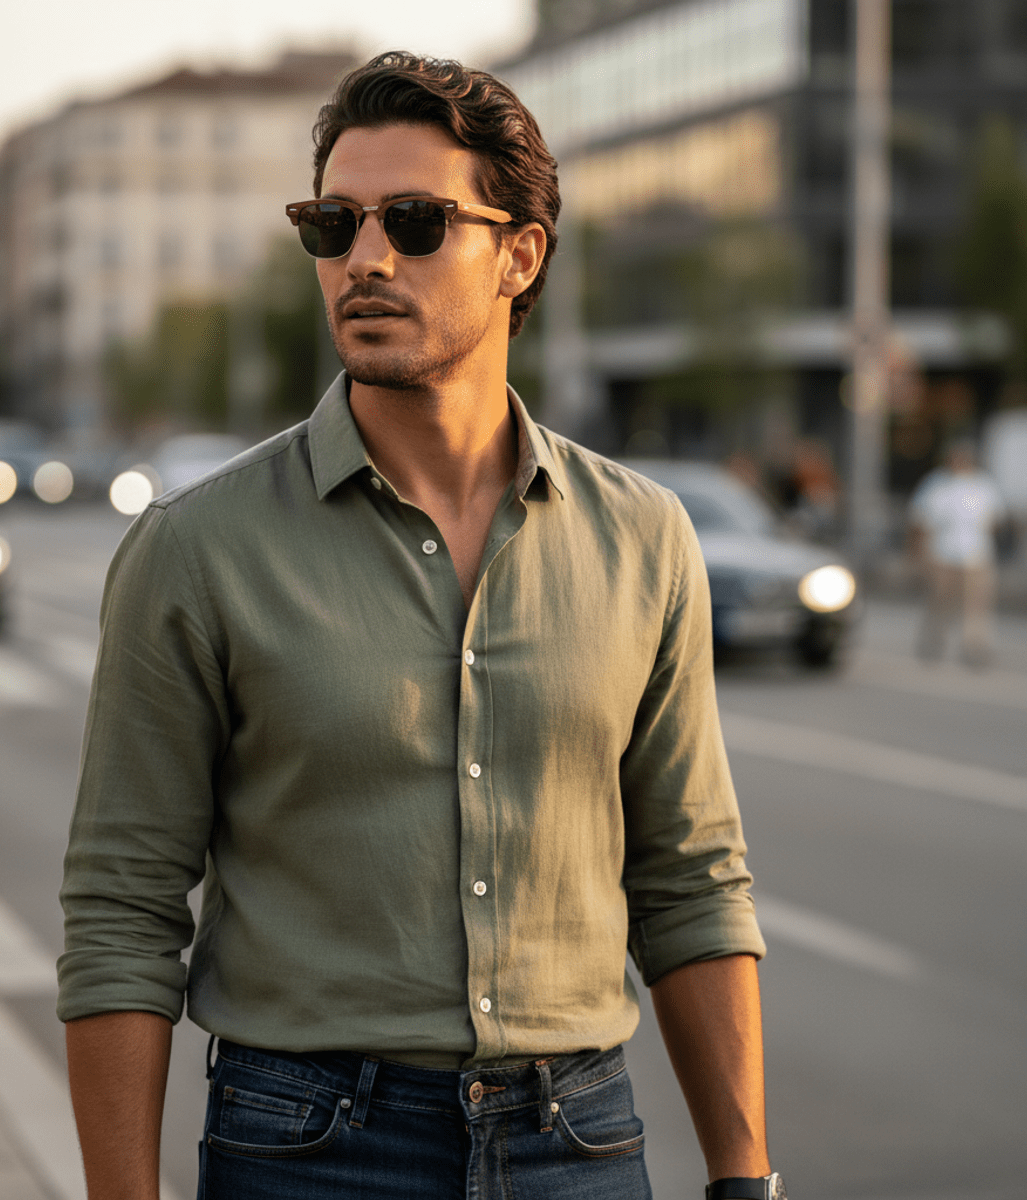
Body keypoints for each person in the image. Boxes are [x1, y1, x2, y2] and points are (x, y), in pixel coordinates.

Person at [58, 52, 781, 1200]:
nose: (366, 258)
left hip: (580, 1141)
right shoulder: (195, 549)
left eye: (416, 220)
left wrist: (744, 1174)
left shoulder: (645, 536)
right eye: (334, 224)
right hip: (306, 1146)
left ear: (521, 254)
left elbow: (691, 879)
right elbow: (123, 910)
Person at [909, 439, 1006, 668]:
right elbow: (920, 520)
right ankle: (933, 641)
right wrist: (918, 554)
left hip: (976, 555)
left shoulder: (983, 486)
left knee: (977, 605)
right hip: (943, 554)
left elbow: (996, 518)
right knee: (939, 602)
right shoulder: (936, 484)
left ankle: (974, 647)